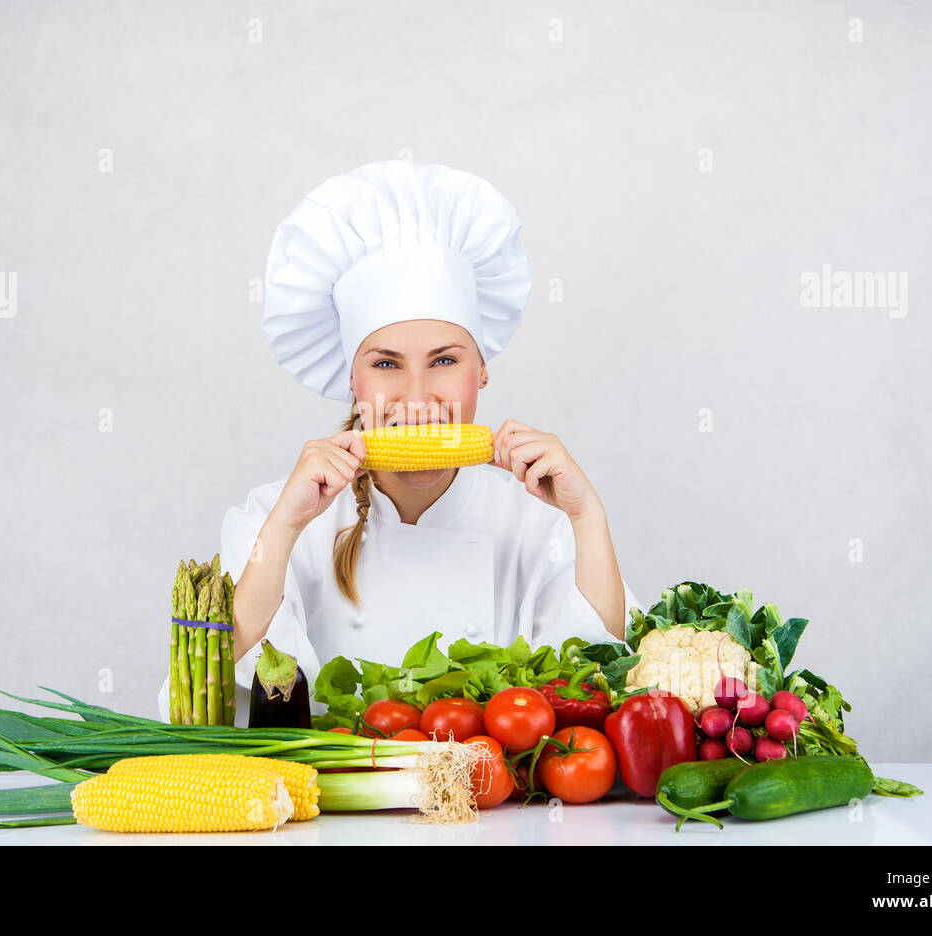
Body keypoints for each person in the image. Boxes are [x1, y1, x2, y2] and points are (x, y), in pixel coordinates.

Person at [157, 160, 640, 723]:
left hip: (486, 808)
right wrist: (286, 529)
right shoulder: (272, 517)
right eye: (386, 364)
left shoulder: (541, 520)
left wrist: (589, 517)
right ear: (352, 381)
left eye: (444, 361)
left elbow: (597, 681)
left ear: (482, 370)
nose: (416, 398)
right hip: (333, 810)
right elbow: (211, 708)